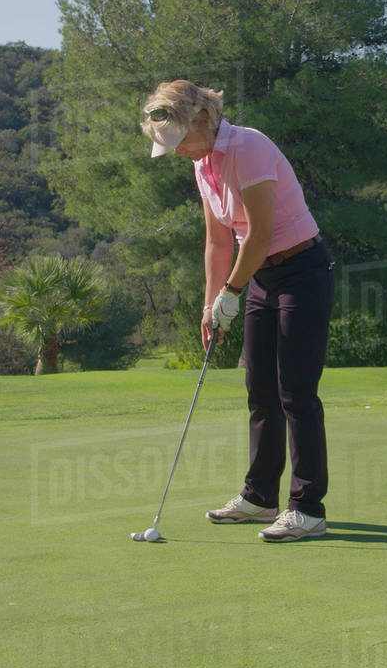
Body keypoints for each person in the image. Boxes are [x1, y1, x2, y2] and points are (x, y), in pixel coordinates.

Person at [141, 80, 334, 542]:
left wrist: (232, 289)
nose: (179, 153)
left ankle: (307, 508)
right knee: (260, 389)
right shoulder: (203, 163)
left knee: (296, 391)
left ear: (202, 120)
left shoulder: (247, 146)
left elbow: (263, 232)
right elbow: (218, 239)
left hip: (301, 270)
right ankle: (260, 497)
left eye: (180, 142)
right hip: (260, 276)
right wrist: (213, 302)